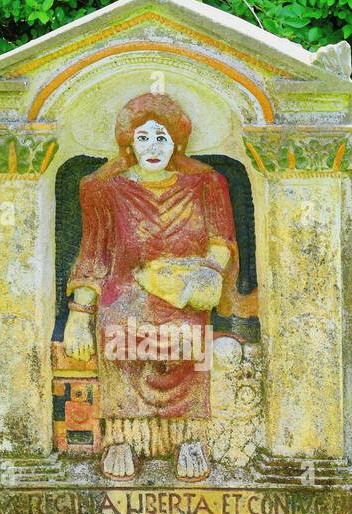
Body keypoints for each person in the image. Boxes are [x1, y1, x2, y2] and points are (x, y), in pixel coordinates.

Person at [64, 92, 237, 481]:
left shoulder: (207, 185)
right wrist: (79, 315)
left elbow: (220, 242)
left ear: (176, 142)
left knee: (189, 331)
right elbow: (93, 256)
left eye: (161, 137)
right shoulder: (105, 191)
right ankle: (124, 438)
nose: (153, 147)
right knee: (118, 324)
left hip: (183, 291)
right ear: (129, 143)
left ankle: (188, 438)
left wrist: (206, 275)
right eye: (143, 138)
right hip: (124, 290)